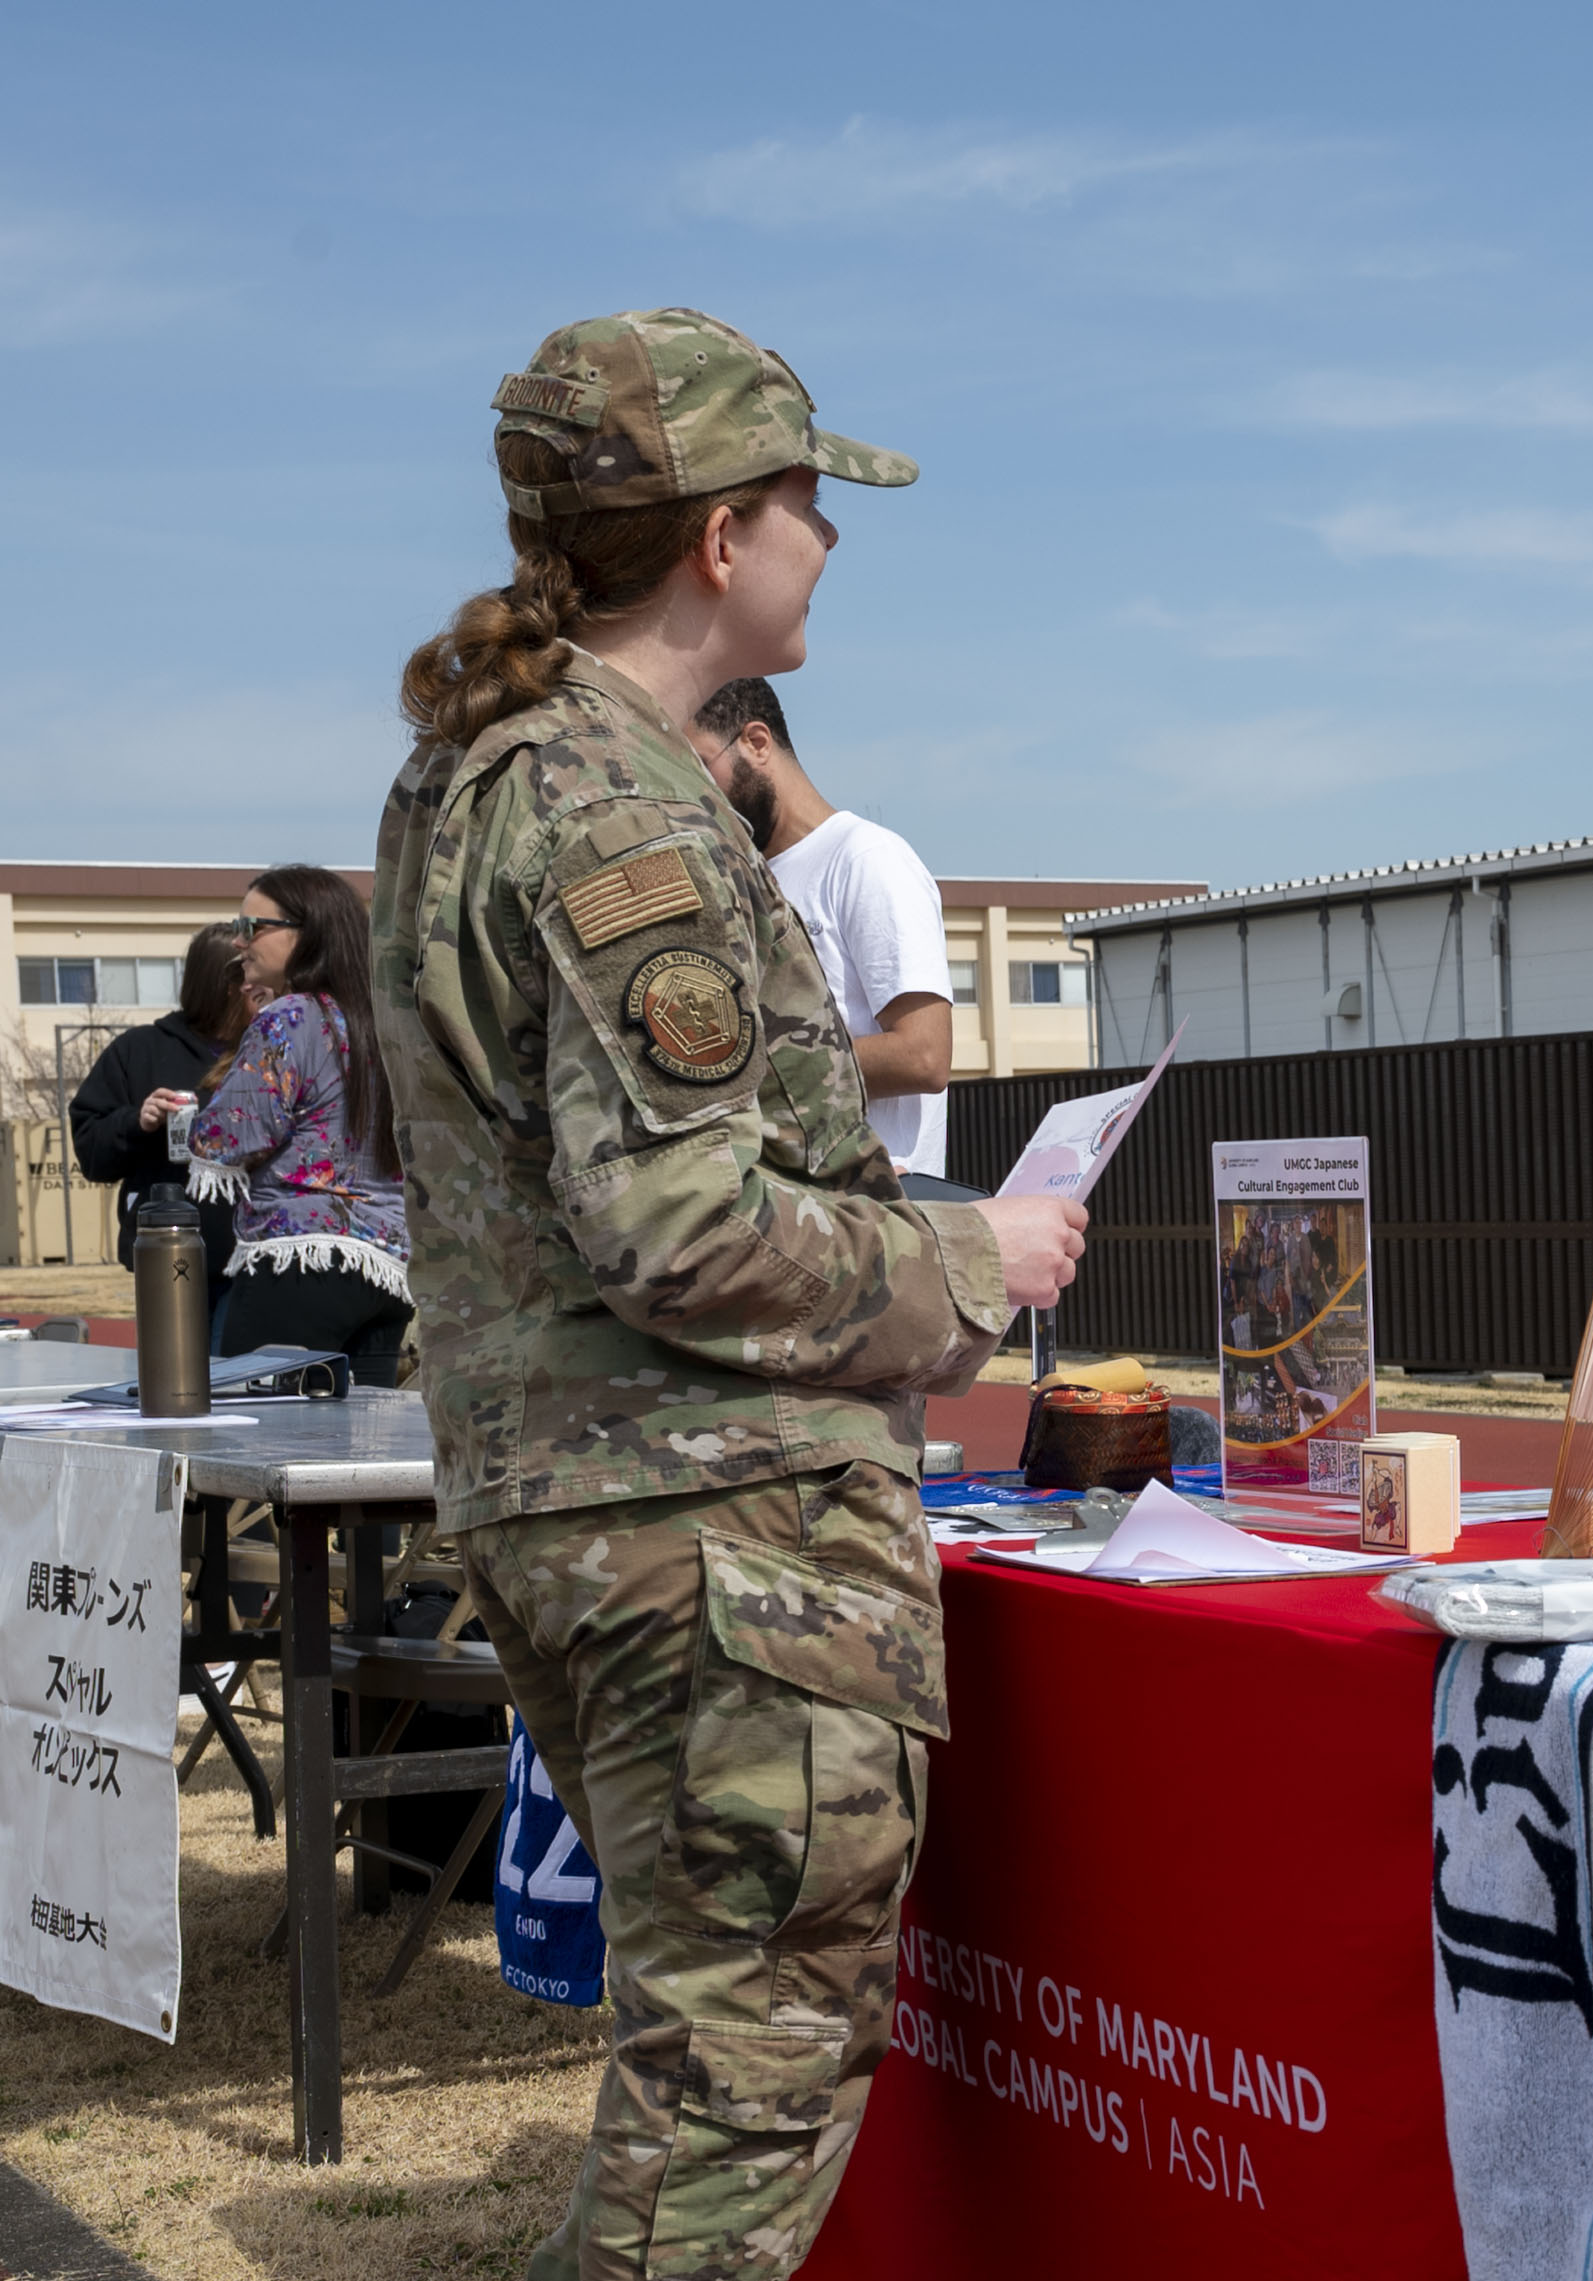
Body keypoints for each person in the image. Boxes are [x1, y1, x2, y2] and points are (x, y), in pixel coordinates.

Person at [371, 306, 1086, 2281]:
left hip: (596, 1524)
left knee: (693, 2098)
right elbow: (680, 1229)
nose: (824, 545)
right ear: (713, 538)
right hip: (714, 1553)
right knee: (728, 2129)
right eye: (800, 506)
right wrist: (975, 1258)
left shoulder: (479, 781)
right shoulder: (623, 817)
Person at [686, 675, 958, 1176]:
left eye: (702, 767)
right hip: (789, 1211)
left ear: (756, 742)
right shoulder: (744, 881)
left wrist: (742, 1074)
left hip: (879, 1215)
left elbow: (924, 1055)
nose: (697, 795)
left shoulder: (867, 860)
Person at [184, 869, 413, 1380]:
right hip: (390, 1268)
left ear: (309, 932)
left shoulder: (289, 1017)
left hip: (298, 1262)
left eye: (253, 926)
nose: (239, 943)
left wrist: (193, 1125)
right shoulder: (390, 1021)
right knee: (363, 1446)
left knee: (267, 1439)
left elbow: (228, 1136)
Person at [66, 920, 250, 1309]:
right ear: (222, 983)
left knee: (236, 1366)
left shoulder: (271, 1045)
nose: (256, 984)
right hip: (167, 1250)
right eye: (246, 971)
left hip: (254, 1253)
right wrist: (139, 1121)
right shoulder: (139, 1049)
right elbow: (91, 1153)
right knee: (175, 1365)